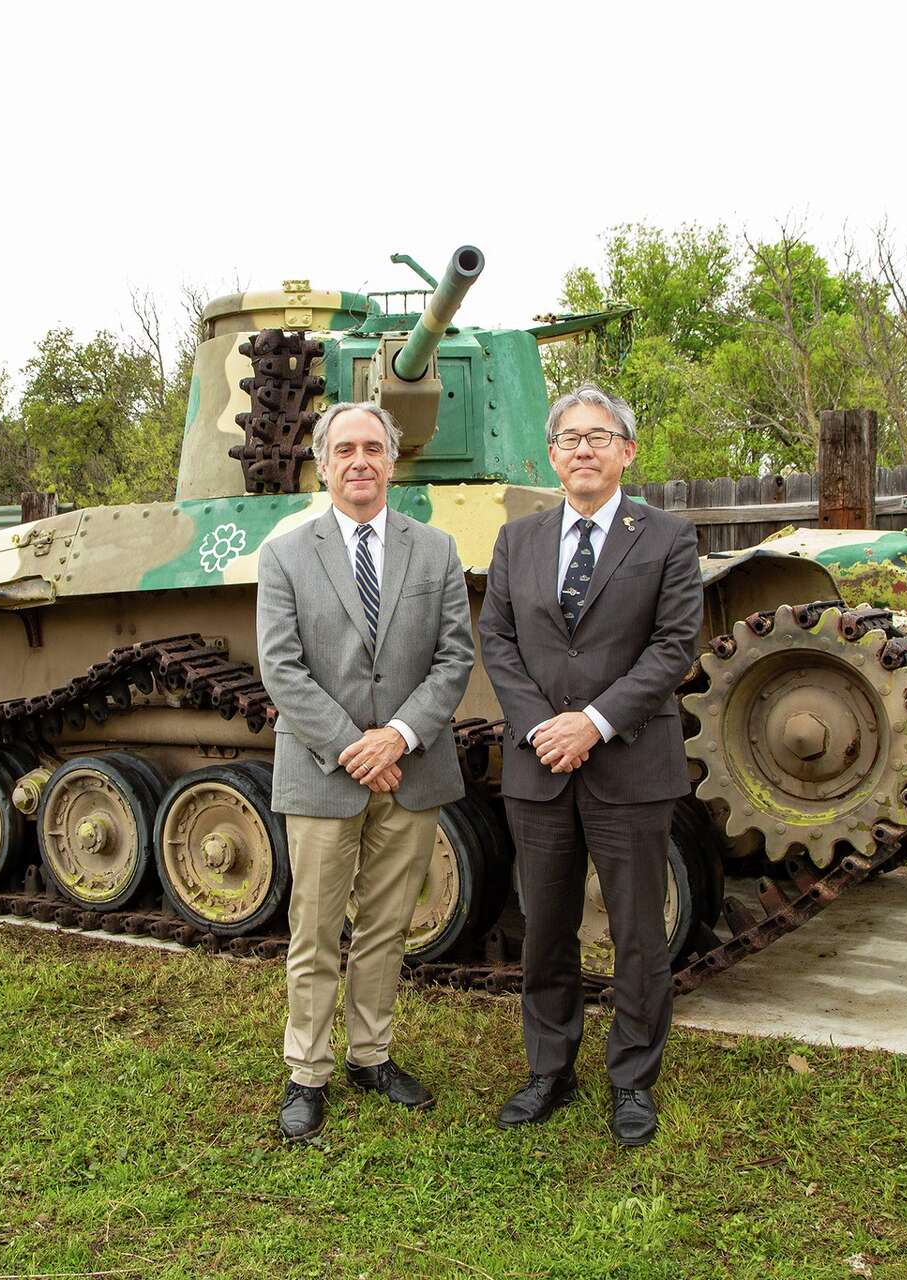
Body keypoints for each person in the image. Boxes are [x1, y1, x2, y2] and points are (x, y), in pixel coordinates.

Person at [477, 383, 702, 1148]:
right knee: (546, 927)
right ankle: (550, 1070)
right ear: (552, 455)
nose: (583, 449)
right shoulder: (519, 540)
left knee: (637, 932)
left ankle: (632, 1078)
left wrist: (594, 723)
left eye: (599, 437)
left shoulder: (667, 538)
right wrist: (544, 727)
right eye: (570, 438)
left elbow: (674, 646)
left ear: (627, 452)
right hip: (539, 764)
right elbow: (498, 641)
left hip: (630, 764)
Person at [255, 400, 476, 1143]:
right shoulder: (286, 554)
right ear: (323, 464)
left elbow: (455, 658)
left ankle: (371, 1055)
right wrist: (357, 745)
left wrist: (399, 738)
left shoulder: (436, 550)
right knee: (315, 929)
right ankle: (306, 1071)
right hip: (324, 769)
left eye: (373, 448)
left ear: (391, 460)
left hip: (411, 769)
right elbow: (282, 668)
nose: (359, 461)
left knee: (386, 926)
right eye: (344, 449)